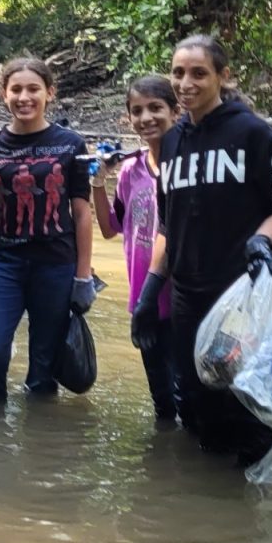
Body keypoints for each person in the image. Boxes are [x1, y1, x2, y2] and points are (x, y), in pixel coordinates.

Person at [133, 34, 272, 463]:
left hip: (241, 295)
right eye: (178, 73)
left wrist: (263, 239)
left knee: (243, 401)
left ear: (223, 77)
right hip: (188, 295)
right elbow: (168, 224)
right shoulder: (172, 142)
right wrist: (151, 292)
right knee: (195, 403)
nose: (185, 83)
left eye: (198, 73)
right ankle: (205, 503)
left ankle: (251, 493)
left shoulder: (254, 134)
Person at [0, 58, 96, 402]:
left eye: (33, 89)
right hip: (5, 264)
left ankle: (39, 441)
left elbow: (81, 214)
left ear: (49, 92)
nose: (24, 97)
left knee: (43, 370)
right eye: (15, 89)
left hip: (57, 266)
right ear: (4, 94)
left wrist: (83, 278)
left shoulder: (71, 145)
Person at [91, 75, 181, 422]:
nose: (146, 119)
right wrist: (98, 181)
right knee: (161, 403)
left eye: (155, 108)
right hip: (143, 303)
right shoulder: (130, 170)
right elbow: (110, 228)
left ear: (176, 111)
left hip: (179, 299)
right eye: (137, 111)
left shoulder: (187, 167)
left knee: (185, 394)